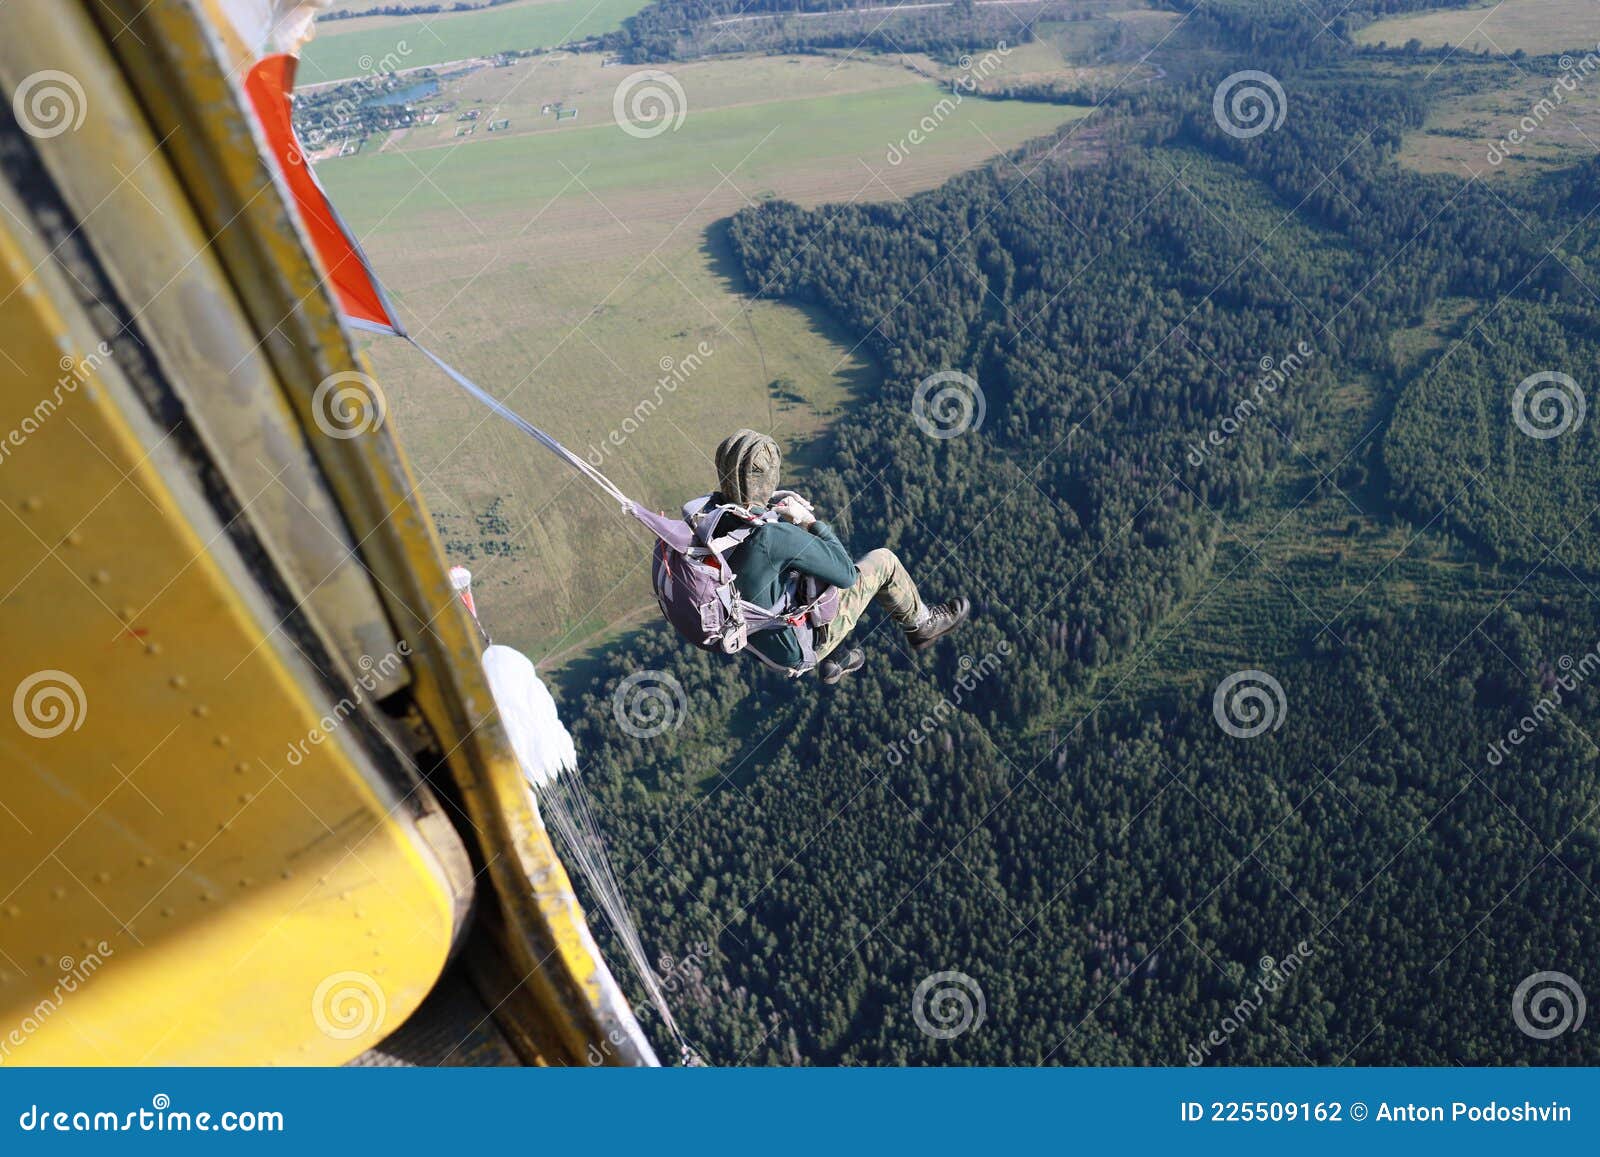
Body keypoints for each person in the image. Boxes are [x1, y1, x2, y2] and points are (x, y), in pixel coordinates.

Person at [710, 429, 969, 684]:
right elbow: (846, 575)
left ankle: (836, 659)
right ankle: (922, 625)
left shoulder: (711, 521)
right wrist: (809, 522)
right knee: (883, 562)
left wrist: (769, 506)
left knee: (799, 577)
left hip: (754, 643)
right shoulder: (772, 537)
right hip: (793, 648)